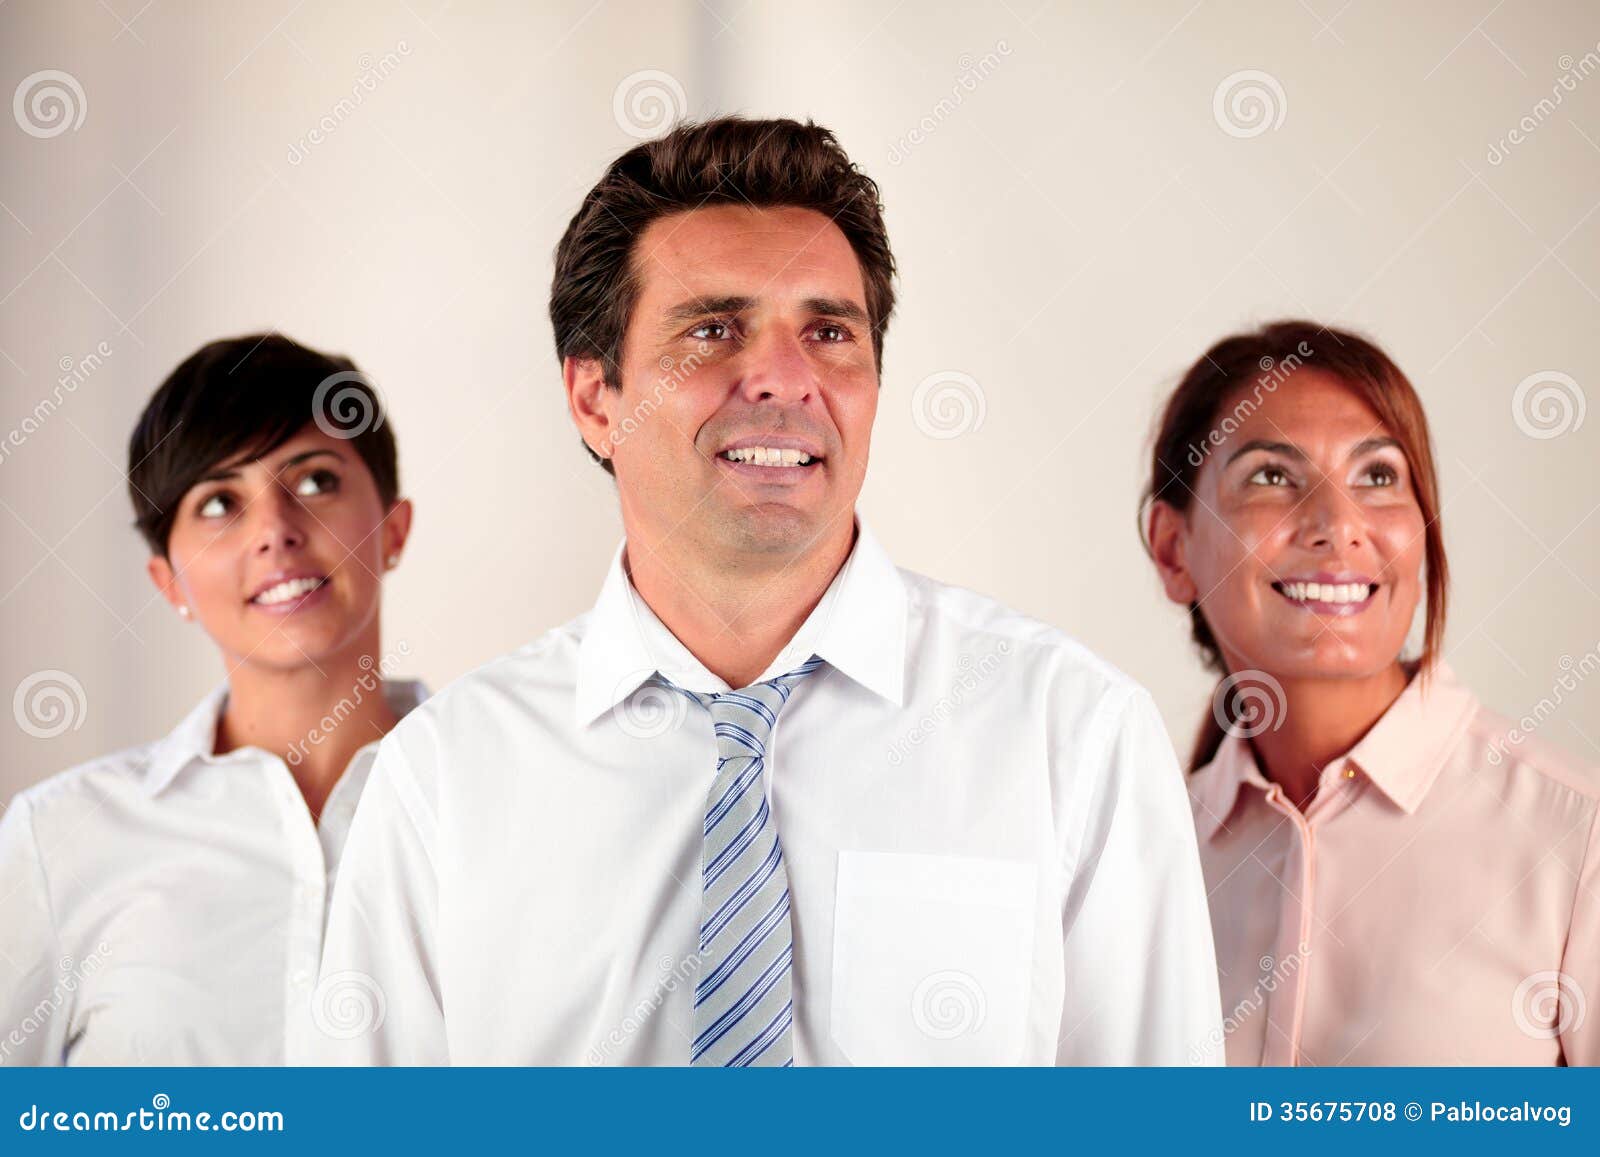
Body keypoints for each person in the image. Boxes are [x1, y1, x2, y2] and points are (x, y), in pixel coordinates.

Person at [314, 116, 1221, 1067]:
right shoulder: (442, 782)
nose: (785, 380)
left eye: (829, 331)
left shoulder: (1073, 736)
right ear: (596, 399)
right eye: (714, 329)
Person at [1143, 319, 1599, 1065]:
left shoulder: (1578, 843)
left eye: (1379, 476)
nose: (1338, 524)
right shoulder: (1143, 856)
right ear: (1173, 550)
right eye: (1271, 475)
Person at [0, 334, 426, 1064]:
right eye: (221, 500)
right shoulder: (57, 839)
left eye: (316, 479)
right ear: (170, 583)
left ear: (393, 530)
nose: (276, 531)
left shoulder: (499, 795)